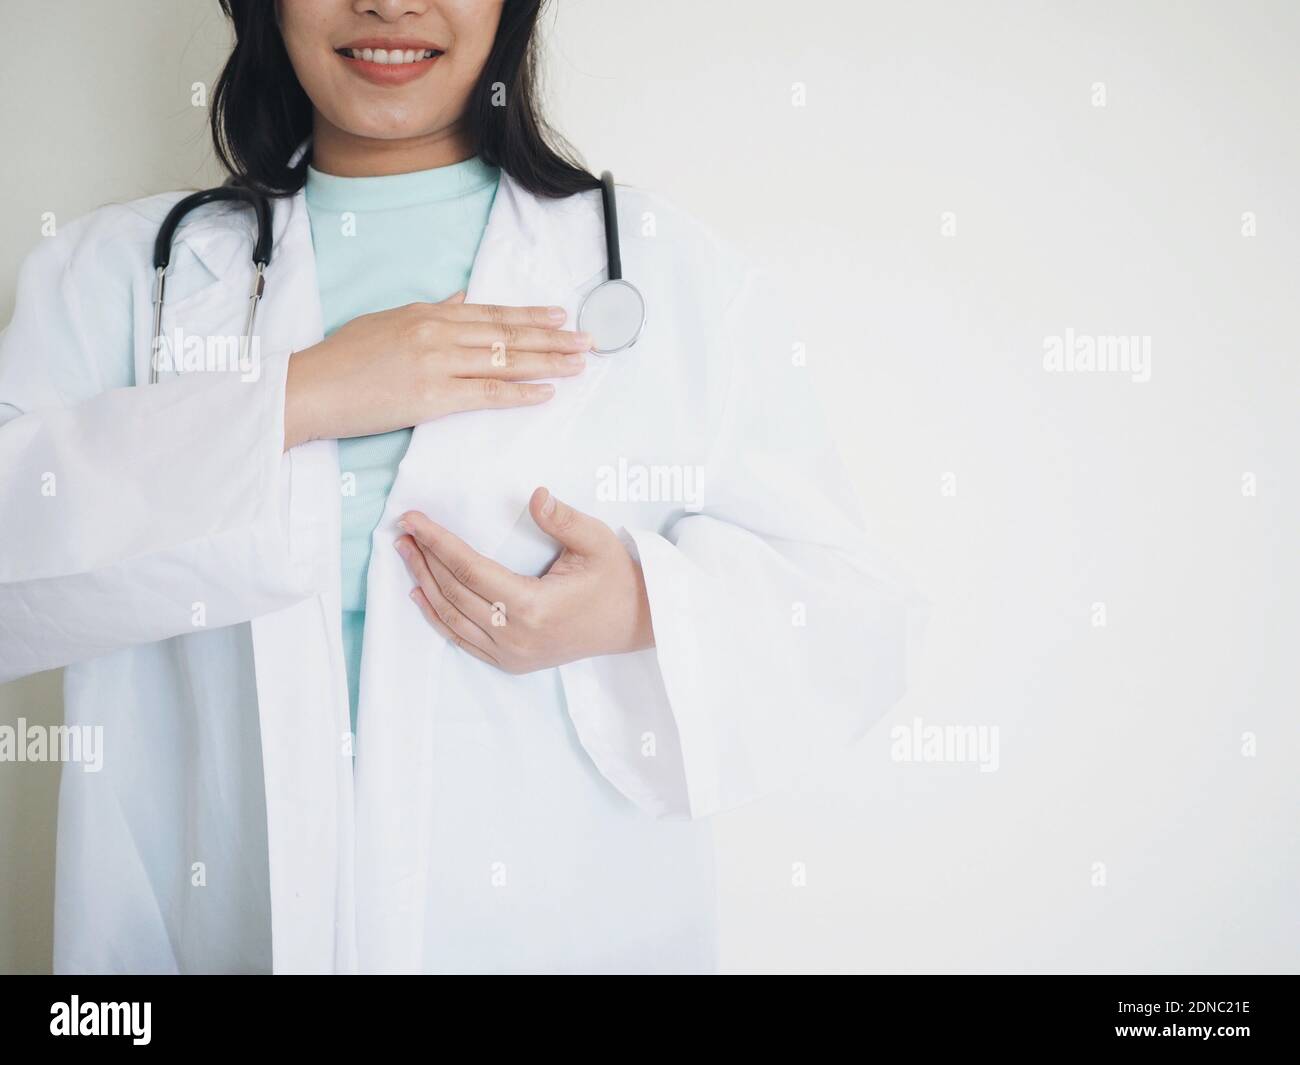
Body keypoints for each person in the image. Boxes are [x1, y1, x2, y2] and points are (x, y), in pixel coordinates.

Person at [0, 0, 916, 974]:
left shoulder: (668, 273)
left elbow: (853, 617)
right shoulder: (118, 276)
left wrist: (641, 606)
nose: (389, 4)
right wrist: (297, 396)